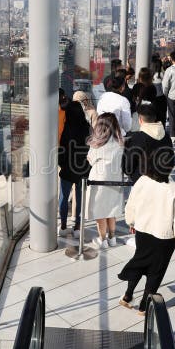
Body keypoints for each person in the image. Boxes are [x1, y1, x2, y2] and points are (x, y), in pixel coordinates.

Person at [120, 149, 175, 315]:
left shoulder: (142, 180)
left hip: (142, 230)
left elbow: (131, 204)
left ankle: (127, 296)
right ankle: (144, 306)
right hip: (164, 237)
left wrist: (131, 221)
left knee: (140, 261)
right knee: (156, 271)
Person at [85, 113, 124, 248]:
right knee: (111, 210)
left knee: (100, 211)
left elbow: (90, 160)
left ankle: (103, 240)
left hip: (99, 180)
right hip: (115, 180)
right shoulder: (120, 142)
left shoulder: (97, 144)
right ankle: (112, 238)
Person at [58, 92, 91, 238]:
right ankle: (77, 226)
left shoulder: (67, 128)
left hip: (67, 167)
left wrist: (62, 164)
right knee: (79, 197)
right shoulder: (86, 127)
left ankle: (63, 225)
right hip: (83, 167)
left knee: (64, 196)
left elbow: (62, 149)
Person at [122, 102, 174, 184]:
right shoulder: (166, 136)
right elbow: (171, 159)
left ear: (140, 120)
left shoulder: (137, 138)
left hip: (142, 181)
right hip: (162, 179)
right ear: (155, 117)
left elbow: (128, 167)